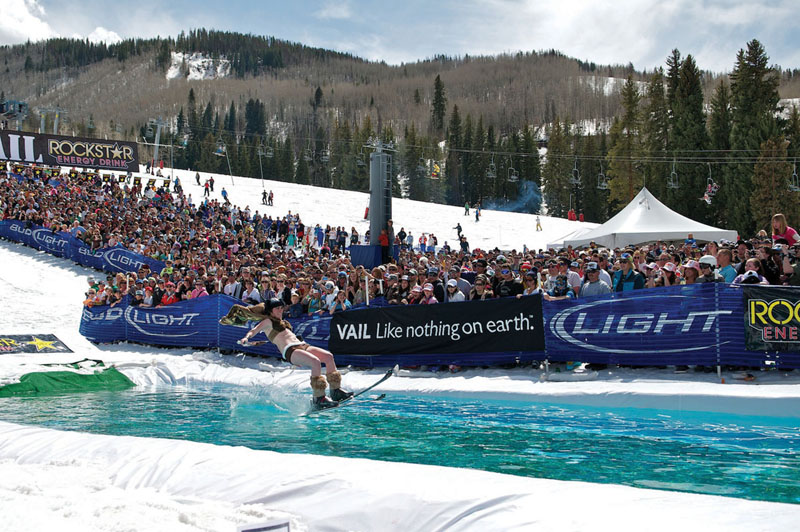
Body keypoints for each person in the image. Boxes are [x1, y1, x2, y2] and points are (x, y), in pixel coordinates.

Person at [237, 298, 352, 409]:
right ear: (270, 311)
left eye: (281, 308)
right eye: (277, 308)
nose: (280, 310)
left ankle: (336, 391)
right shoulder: (268, 321)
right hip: (290, 350)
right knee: (315, 362)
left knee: (328, 357)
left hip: (302, 345)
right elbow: (254, 330)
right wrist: (246, 338)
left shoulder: (284, 323)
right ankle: (319, 398)